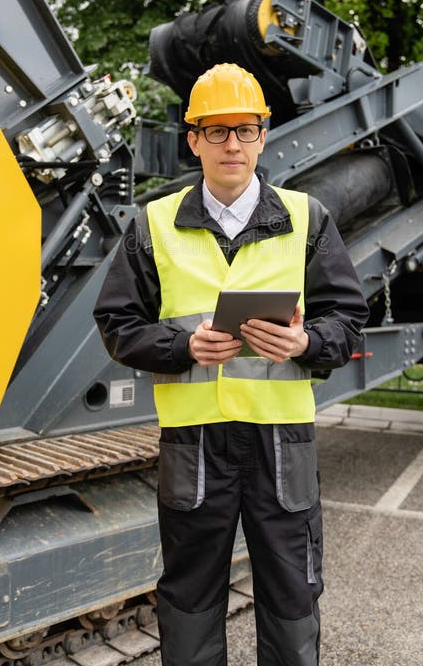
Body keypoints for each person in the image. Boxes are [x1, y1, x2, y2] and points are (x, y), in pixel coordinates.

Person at [93, 62, 369, 666]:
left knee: (292, 593)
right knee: (190, 596)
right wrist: (181, 347)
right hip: (195, 445)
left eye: (245, 129)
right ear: (193, 140)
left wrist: (304, 344)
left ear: (263, 135)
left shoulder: (307, 219)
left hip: (281, 441)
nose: (232, 145)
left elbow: (347, 320)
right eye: (216, 132)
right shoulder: (152, 226)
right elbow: (117, 323)